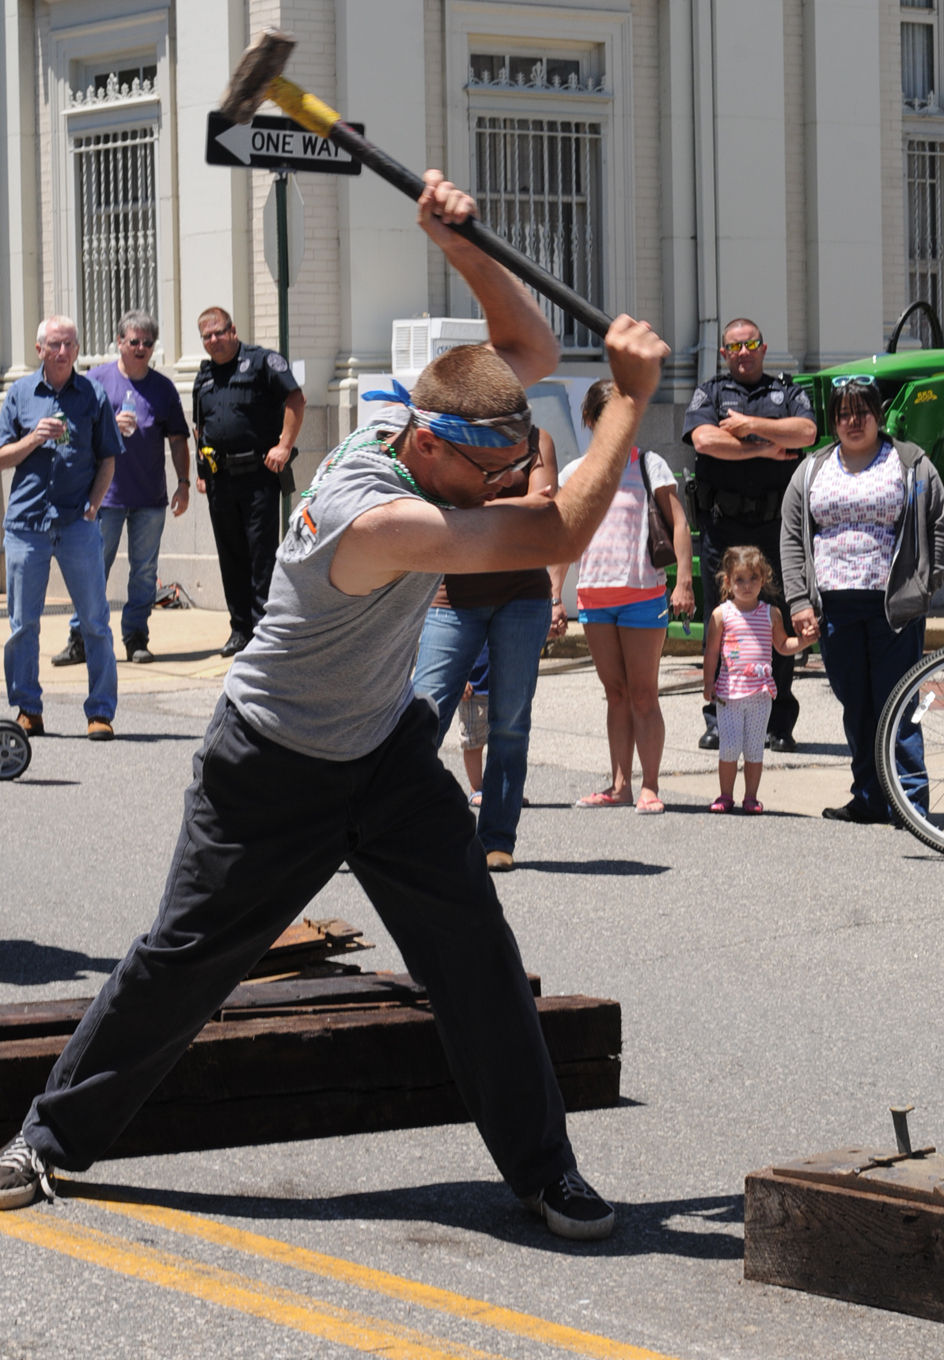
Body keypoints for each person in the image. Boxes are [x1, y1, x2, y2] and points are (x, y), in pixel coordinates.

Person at [0, 171, 670, 1242]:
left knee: (475, 955)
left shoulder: (429, 422)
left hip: (384, 750)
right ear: (433, 448)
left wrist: (458, 244)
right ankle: (47, 1139)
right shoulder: (378, 519)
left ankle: (545, 1171)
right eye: (490, 474)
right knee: (184, 959)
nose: (505, 487)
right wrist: (629, 403)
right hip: (271, 761)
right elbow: (553, 536)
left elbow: (525, 353)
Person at [781, 376, 944, 824]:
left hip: (892, 605)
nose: (852, 421)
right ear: (833, 421)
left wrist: (925, 584)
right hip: (835, 606)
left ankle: (911, 802)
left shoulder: (909, 462)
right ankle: (870, 797)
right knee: (855, 702)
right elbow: (793, 539)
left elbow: (939, 521)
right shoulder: (812, 470)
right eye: (842, 414)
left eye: (861, 412)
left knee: (899, 702)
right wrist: (800, 602)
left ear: (878, 414)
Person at [410, 426, 560, 872]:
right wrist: (514, 507)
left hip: (524, 593)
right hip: (453, 596)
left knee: (511, 722)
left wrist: (477, 508)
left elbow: (545, 505)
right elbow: (437, 503)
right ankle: (396, 829)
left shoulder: (538, 439)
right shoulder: (454, 434)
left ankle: (496, 837)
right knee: (423, 715)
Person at [553, 378, 694, 814]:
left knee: (643, 694)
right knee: (614, 693)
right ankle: (619, 786)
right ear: (592, 420)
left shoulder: (649, 464)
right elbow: (560, 539)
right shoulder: (574, 474)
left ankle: (650, 785)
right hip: (595, 597)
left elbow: (679, 523)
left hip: (642, 592)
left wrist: (684, 581)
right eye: (609, 417)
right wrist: (554, 596)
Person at [682, 317, 817, 753]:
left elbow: (807, 433)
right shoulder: (711, 391)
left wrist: (747, 424)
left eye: (751, 344)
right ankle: (720, 719)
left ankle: (778, 722)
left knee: (778, 622)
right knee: (721, 626)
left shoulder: (787, 392)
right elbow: (704, 440)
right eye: (734, 347)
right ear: (724, 353)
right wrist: (763, 446)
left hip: (777, 529)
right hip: (724, 528)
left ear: (763, 346)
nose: (743, 352)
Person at [0, 316, 122, 740]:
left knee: (94, 621)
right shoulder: (19, 394)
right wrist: (33, 439)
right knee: (22, 625)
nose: (64, 352)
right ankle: (28, 709)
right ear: (40, 350)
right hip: (26, 524)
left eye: (70, 343)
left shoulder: (93, 394)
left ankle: (100, 713)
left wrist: (94, 504)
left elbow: (109, 454)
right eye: (55, 344)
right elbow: (2, 456)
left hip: (76, 523)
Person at [52, 310, 191, 668]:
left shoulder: (162, 388)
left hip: (149, 497)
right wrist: (109, 425)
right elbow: (70, 431)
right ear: (119, 342)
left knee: (144, 571)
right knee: (93, 568)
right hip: (104, 497)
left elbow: (177, 439)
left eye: (148, 342)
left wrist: (184, 483)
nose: (141, 347)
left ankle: (136, 637)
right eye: (134, 341)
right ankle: (80, 639)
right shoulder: (95, 381)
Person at [193, 306, 306, 657]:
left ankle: (264, 629)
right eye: (207, 336)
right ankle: (240, 629)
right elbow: (200, 424)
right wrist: (201, 472)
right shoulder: (204, 375)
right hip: (219, 479)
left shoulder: (261, 362)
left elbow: (296, 399)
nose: (214, 340)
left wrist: (284, 446)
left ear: (233, 330)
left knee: (260, 555)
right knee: (231, 556)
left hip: (258, 476)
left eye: (219, 332)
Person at [703, 545, 814, 814]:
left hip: (760, 694)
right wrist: (708, 683)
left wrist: (802, 641)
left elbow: (782, 645)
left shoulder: (771, 613)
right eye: (740, 579)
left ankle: (750, 797)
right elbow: (712, 651)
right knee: (729, 748)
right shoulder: (722, 614)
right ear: (728, 582)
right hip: (729, 693)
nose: (747, 585)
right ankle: (725, 795)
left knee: (754, 749)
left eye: (753, 578)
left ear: (762, 580)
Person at [459, 645, 490, 806]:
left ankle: (505, 788)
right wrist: (460, 678)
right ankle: (476, 787)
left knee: (506, 743)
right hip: (474, 686)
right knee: (473, 742)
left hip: (505, 682)